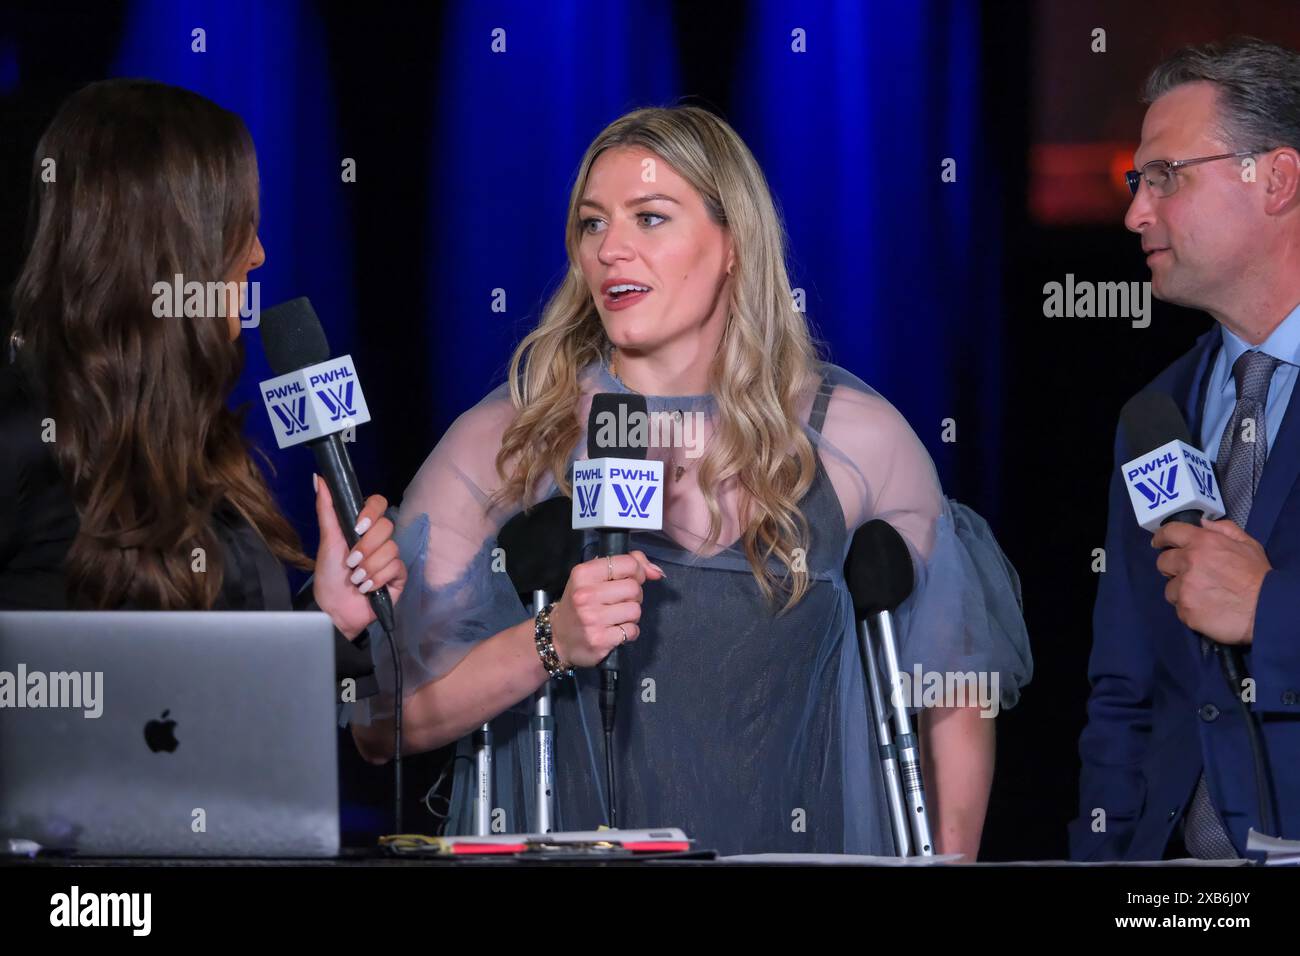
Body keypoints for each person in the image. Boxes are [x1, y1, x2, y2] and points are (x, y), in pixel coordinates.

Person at [351, 105, 1030, 858]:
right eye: (592, 224)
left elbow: (952, 688)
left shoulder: (857, 436)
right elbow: (380, 726)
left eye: (649, 218)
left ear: (733, 242)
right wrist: (549, 642)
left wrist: (953, 859)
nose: (612, 249)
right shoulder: (509, 441)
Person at [0, 78, 404, 637]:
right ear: (171, 248)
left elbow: (216, 691)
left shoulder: (195, 438)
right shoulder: (25, 441)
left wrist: (331, 617)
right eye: (237, 225)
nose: (258, 254)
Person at [1071, 38, 1300, 861]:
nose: (1136, 212)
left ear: (1275, 180)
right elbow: (1125, 693)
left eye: (1167, 176)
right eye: (1140, 182)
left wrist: (1271, 611)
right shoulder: (1154, 413)